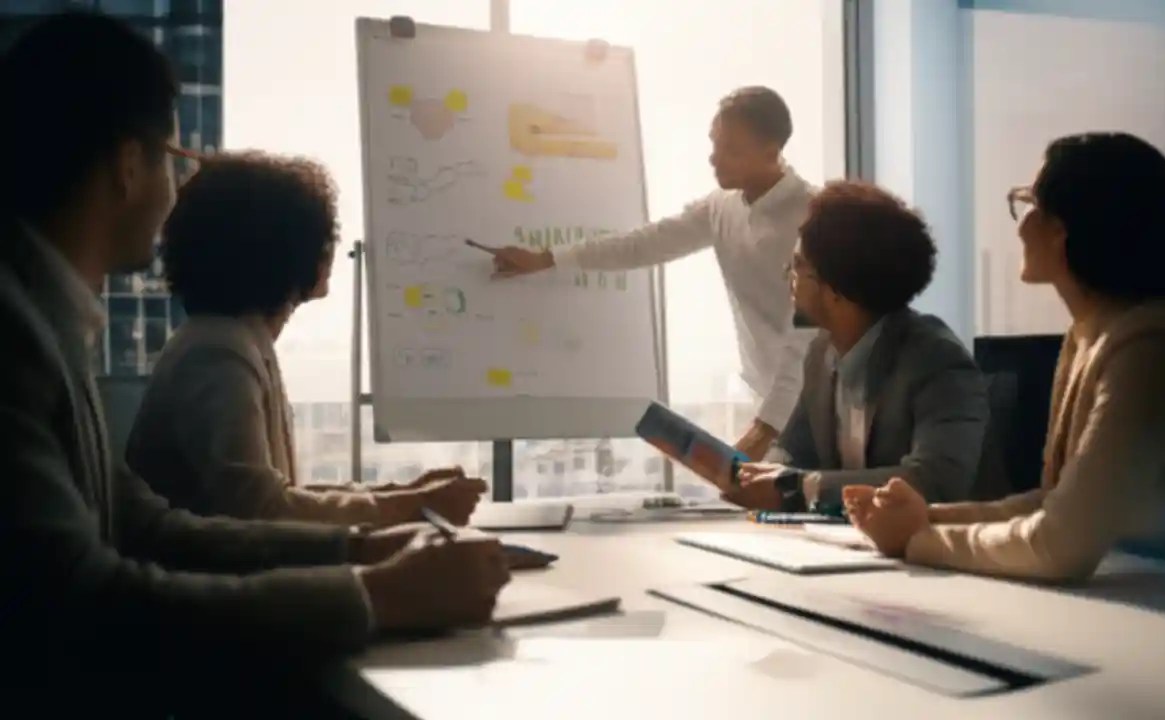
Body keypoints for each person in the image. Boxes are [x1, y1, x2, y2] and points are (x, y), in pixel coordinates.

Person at [0, 13, 508, 715]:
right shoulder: (24, 338)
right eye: (172, 159)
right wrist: (379, 590)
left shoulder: (52, 324)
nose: (175, 193)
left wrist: (359, 549)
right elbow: (85, 599)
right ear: (126, 166)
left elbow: (146, 524)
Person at [844, 133, 1165, 582]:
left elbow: (1059, 545)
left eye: (1031, 204)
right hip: (1154, 588)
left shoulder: (1154, 343)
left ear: (1065, 230)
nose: (1021, 226)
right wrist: (926, 517)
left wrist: (916, 539)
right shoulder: (1095, 330)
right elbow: (1055, 503)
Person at [127, 152, 485, 527]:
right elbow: (261, 509)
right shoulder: (218, 354)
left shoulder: (229, 340)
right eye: (325, 237)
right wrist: (408, 505)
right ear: (285, 247)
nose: (332, 249)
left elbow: (273, 494)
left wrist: (403, 494)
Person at [490, 86, 816, 460]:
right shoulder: (721, 207)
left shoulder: (812, 214)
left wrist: (766, 427)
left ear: (771, 153)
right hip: (770, 400)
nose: (714, 158)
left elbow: (806, 337)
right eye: (714, 143)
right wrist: (547, 258)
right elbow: (644, 244)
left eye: (731, 149)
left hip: (816, 403)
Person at [722, 181, 992, 513]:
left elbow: (934, 480)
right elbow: (793, 451)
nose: (787, 275)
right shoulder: (821, 353)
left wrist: (802, 488)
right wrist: (758, 475)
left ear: (837, 289)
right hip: (852, 541)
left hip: (941, 543)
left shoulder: (937, 361)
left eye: (798, 265)